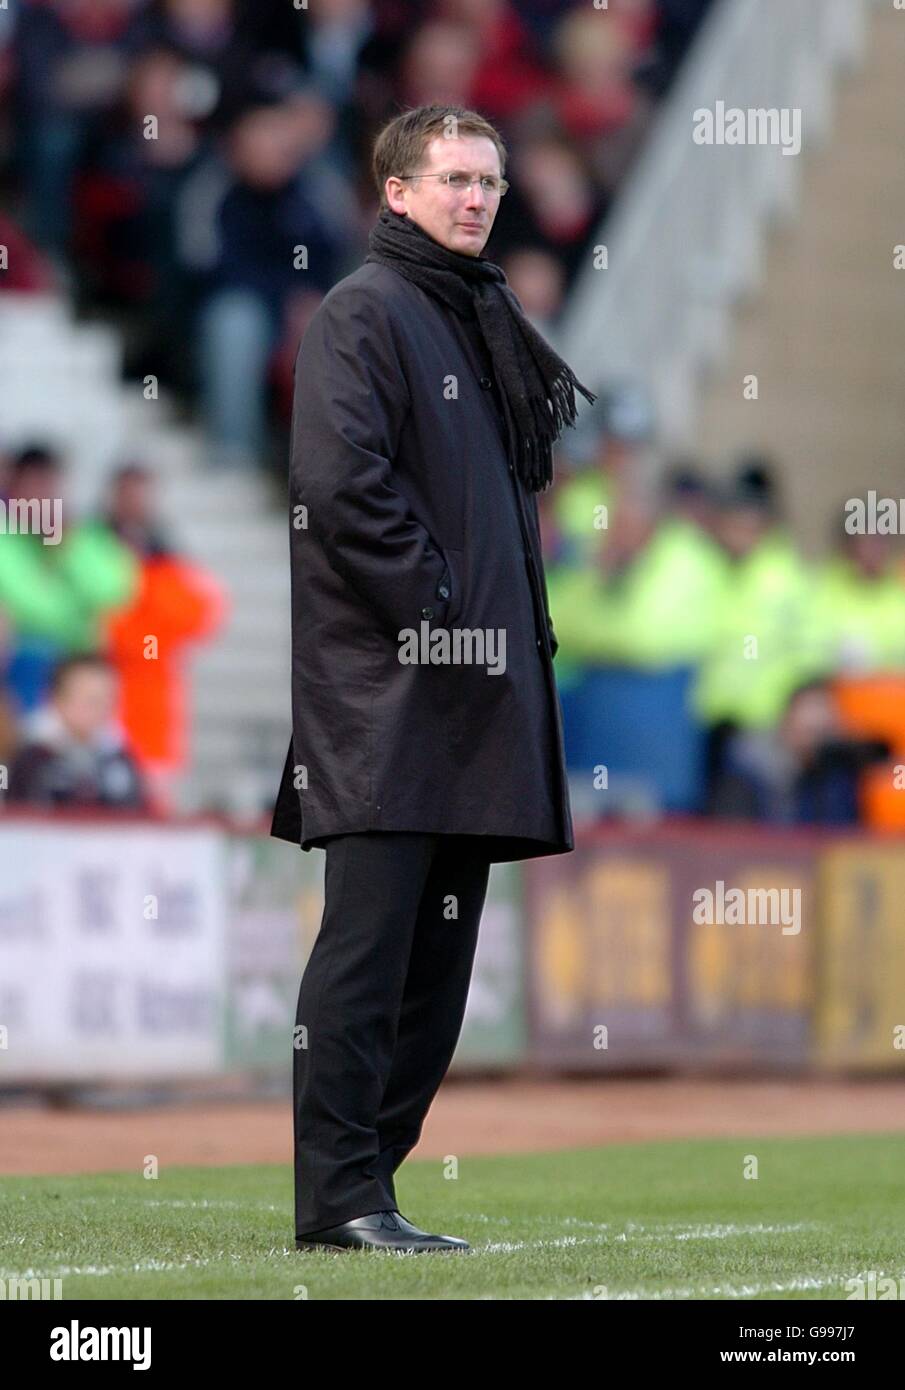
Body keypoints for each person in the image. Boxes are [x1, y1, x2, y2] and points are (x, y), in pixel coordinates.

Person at [269, 102, 595, 1253]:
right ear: (395, 191)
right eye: (453, 178)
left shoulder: (474, 317)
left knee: (436, 975)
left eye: (491, 181)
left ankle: (375, 1188)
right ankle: (337, 1198)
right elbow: (339, 488)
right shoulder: (363, 310)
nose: (475, 198)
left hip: (472, 700)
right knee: (365, 961)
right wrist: (441, 614)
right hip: (388, 699)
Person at [4, 651, 148, 811]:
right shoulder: (31, 759)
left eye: (109, 699)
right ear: (57, 699)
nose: (103, 709)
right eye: (92, 700)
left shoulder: (121, 758)